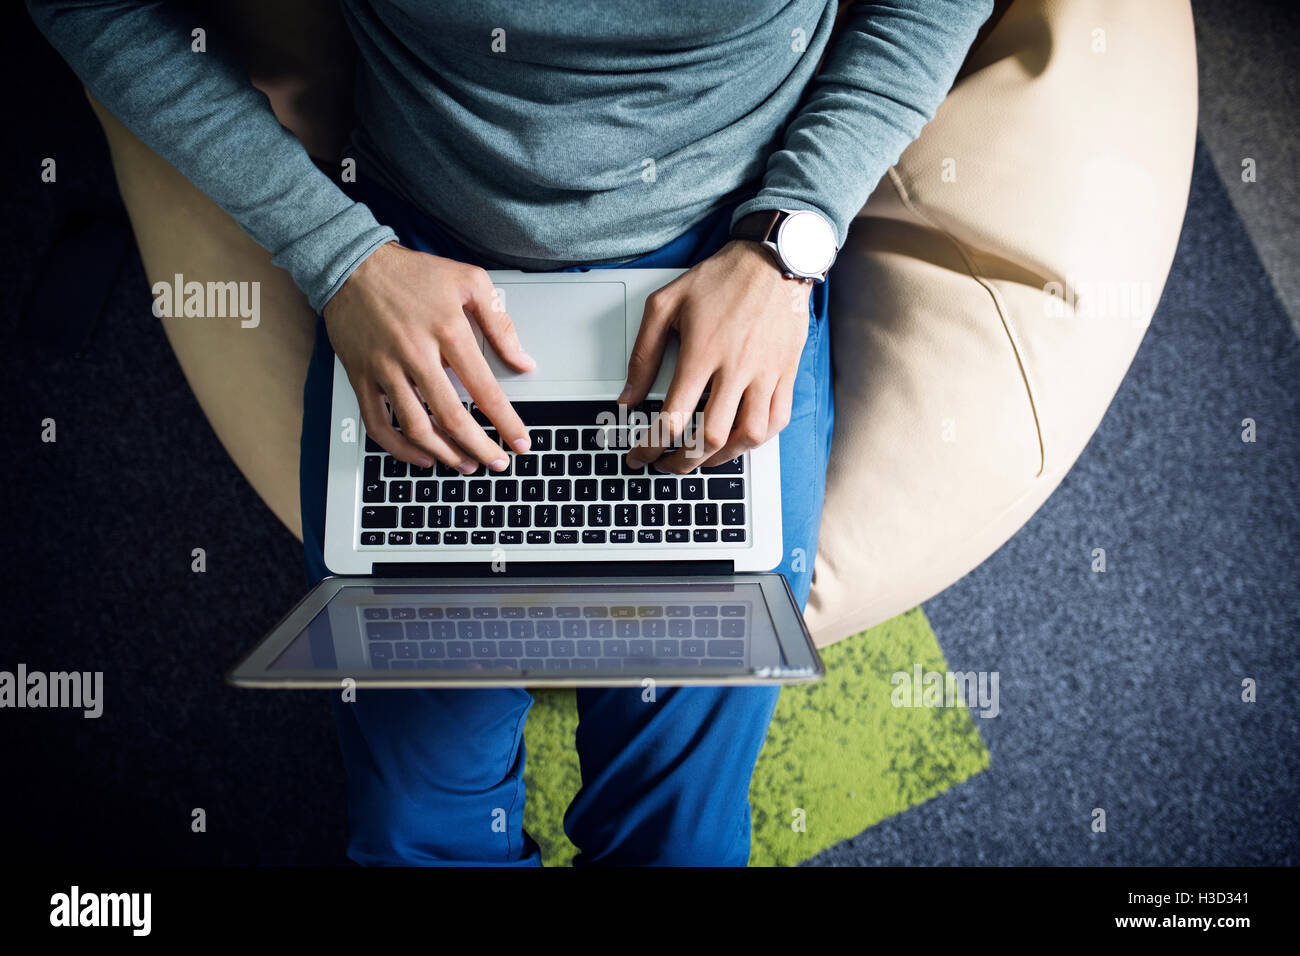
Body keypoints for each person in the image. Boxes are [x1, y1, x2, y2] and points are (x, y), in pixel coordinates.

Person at [30, 0, 994, 865]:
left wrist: (792, 242)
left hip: (729, 254)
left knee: (678, 834)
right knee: (412, 830)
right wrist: (337, 254)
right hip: (414, 255)